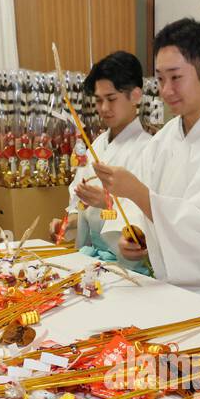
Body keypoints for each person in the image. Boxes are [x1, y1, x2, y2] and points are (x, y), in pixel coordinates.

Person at [94, 18, 200, 303]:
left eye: (176, 77)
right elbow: (135, 209)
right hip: (157, 287)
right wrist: (133, 235)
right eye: (160, 78)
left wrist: (138, 193)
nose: (166, 90)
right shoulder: (165, 137)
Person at [54, 51, 153, 272]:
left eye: (111, 99)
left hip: (127, 262)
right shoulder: (97, 145)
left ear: (135, 96)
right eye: (98, 100)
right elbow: (79, 199)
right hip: (92, 256)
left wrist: (108, 204)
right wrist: (69, 222)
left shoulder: (149, 149)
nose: (104, 108)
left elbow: (147, 215)